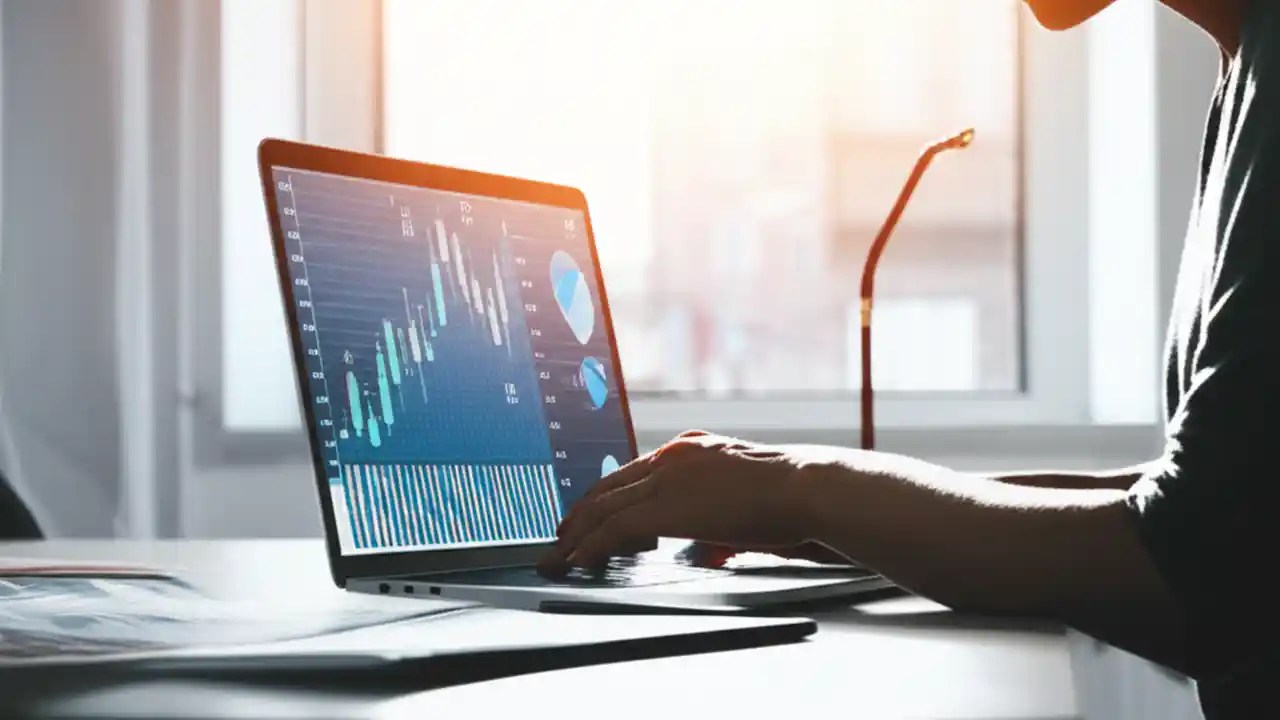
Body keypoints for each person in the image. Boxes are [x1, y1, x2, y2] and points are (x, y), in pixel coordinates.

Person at [540, 0, 1275, 716]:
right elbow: (1209, 499)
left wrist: (805, 489)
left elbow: (1197, 572)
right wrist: (832, 525)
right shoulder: (1245, 59)